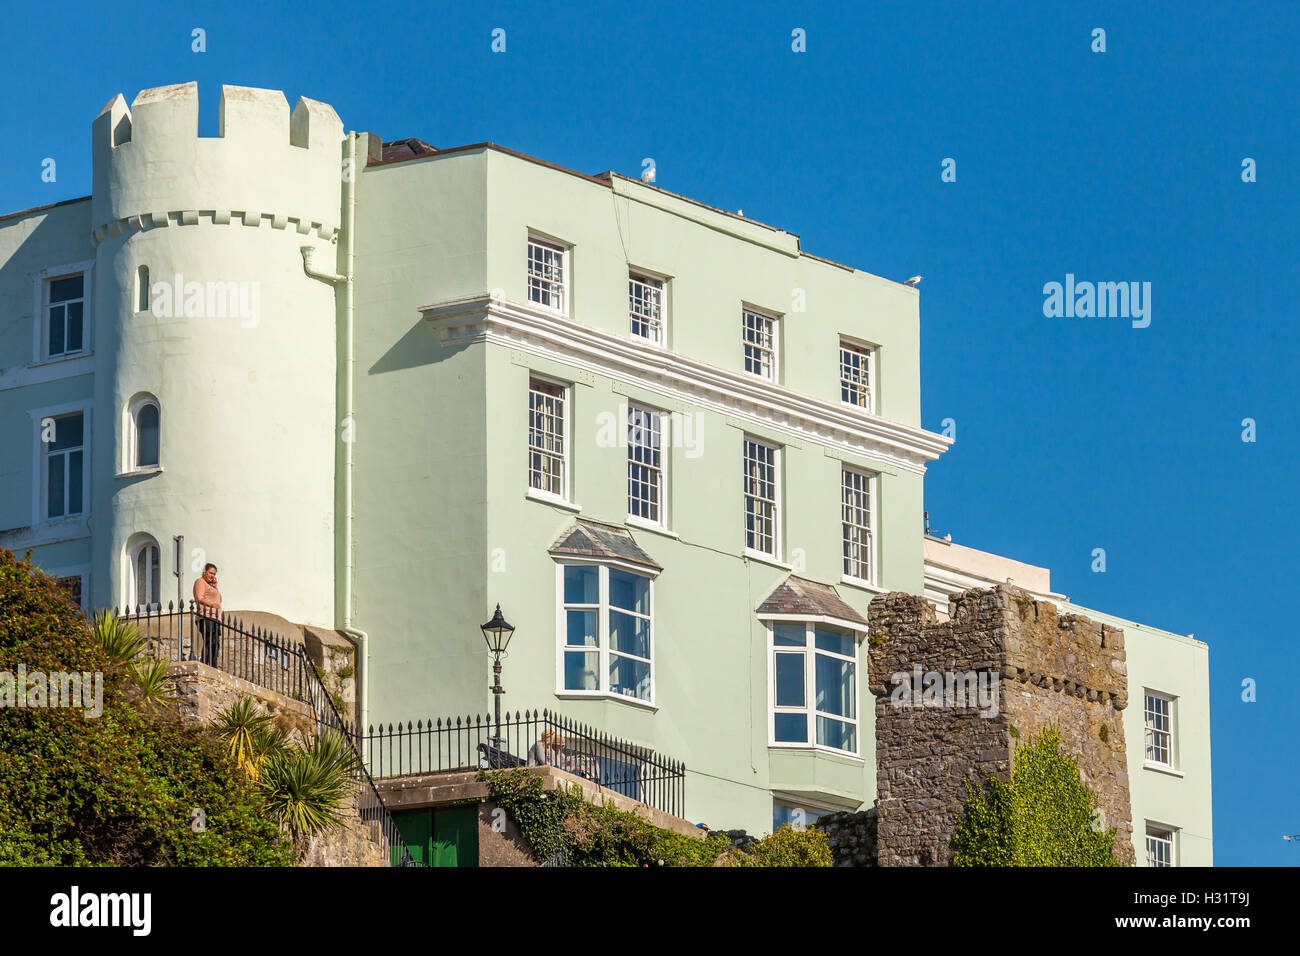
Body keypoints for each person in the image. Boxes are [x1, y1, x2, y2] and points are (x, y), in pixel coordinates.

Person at [193, 562, 222, 666]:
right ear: (204, 572)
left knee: (216, 642)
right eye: (210, 573)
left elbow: (219, 599)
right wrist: (211, 604)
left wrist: (215, 586)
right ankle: (205, 663)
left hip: (215, 617)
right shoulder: (200, 582)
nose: (212, 576)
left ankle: (213, 664)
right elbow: (199, 597)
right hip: (205, 616)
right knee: (209, 640)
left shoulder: (212, 586)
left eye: (214, 574)